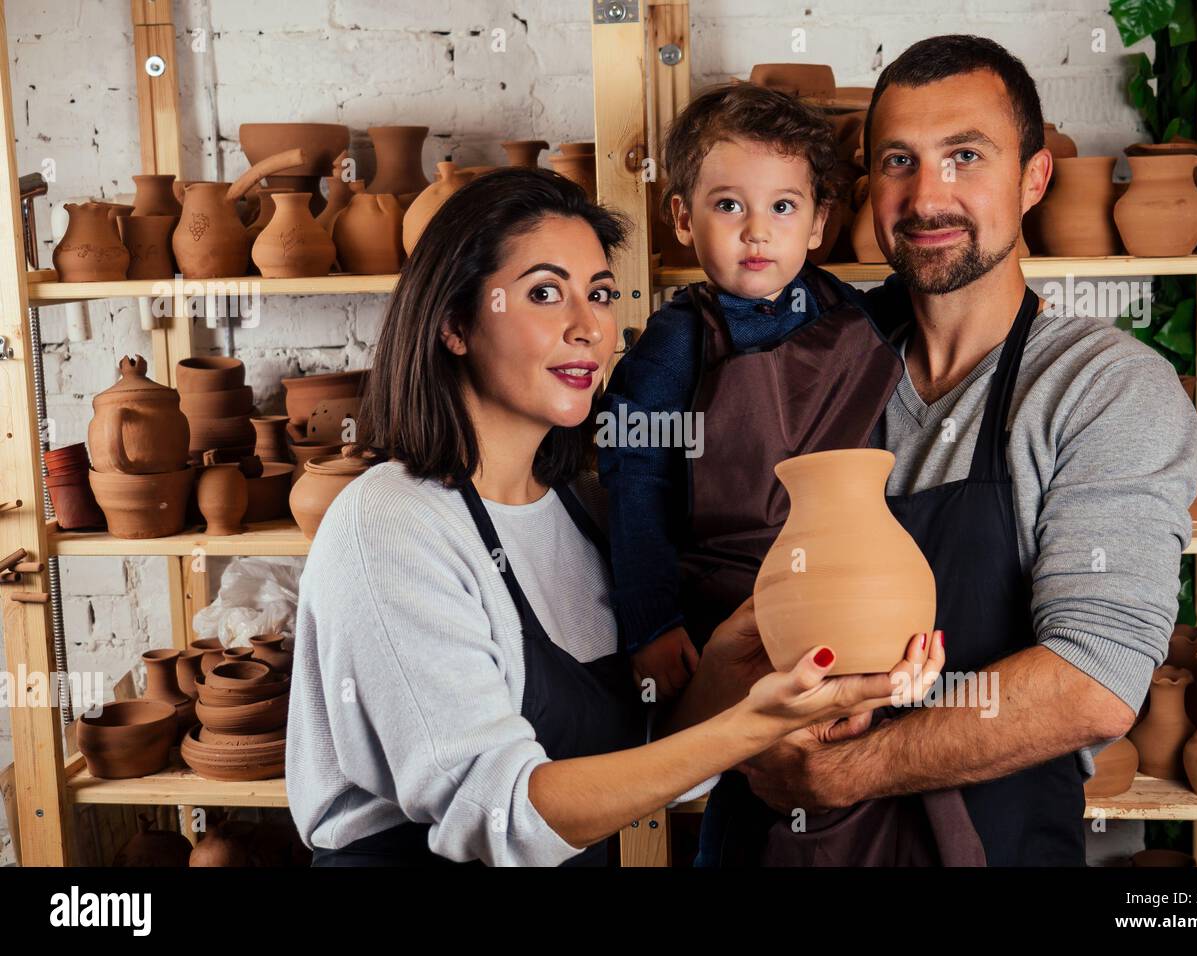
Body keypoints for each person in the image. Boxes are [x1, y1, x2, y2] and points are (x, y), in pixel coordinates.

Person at [284, 166, 944, 867]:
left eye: (599, 295)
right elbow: (495, 813)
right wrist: (750, 729)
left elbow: (640, 762)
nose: (588, 328)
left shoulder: (586, 508)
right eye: (544, 294)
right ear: (454, 324)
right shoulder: (391, 523)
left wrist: (738, 667)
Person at [729, 35, 1197, 866]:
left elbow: (1091, 686)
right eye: (899, 161)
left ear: (1034, 179)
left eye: (965, 156)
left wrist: (839, 774)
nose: (926, 197)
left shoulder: (1103, 388)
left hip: (994, 844)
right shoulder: (808, 365)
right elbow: (726, 603)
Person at [599, 84, 902, 696]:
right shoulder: (674, 343)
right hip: (727, 603)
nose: (757, 231)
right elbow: (635, 483)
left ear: (819, 222)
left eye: (783, 207)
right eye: (730, 206)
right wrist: (650, 624)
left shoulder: (855, 314)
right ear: (684, 219)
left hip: (848, 585)